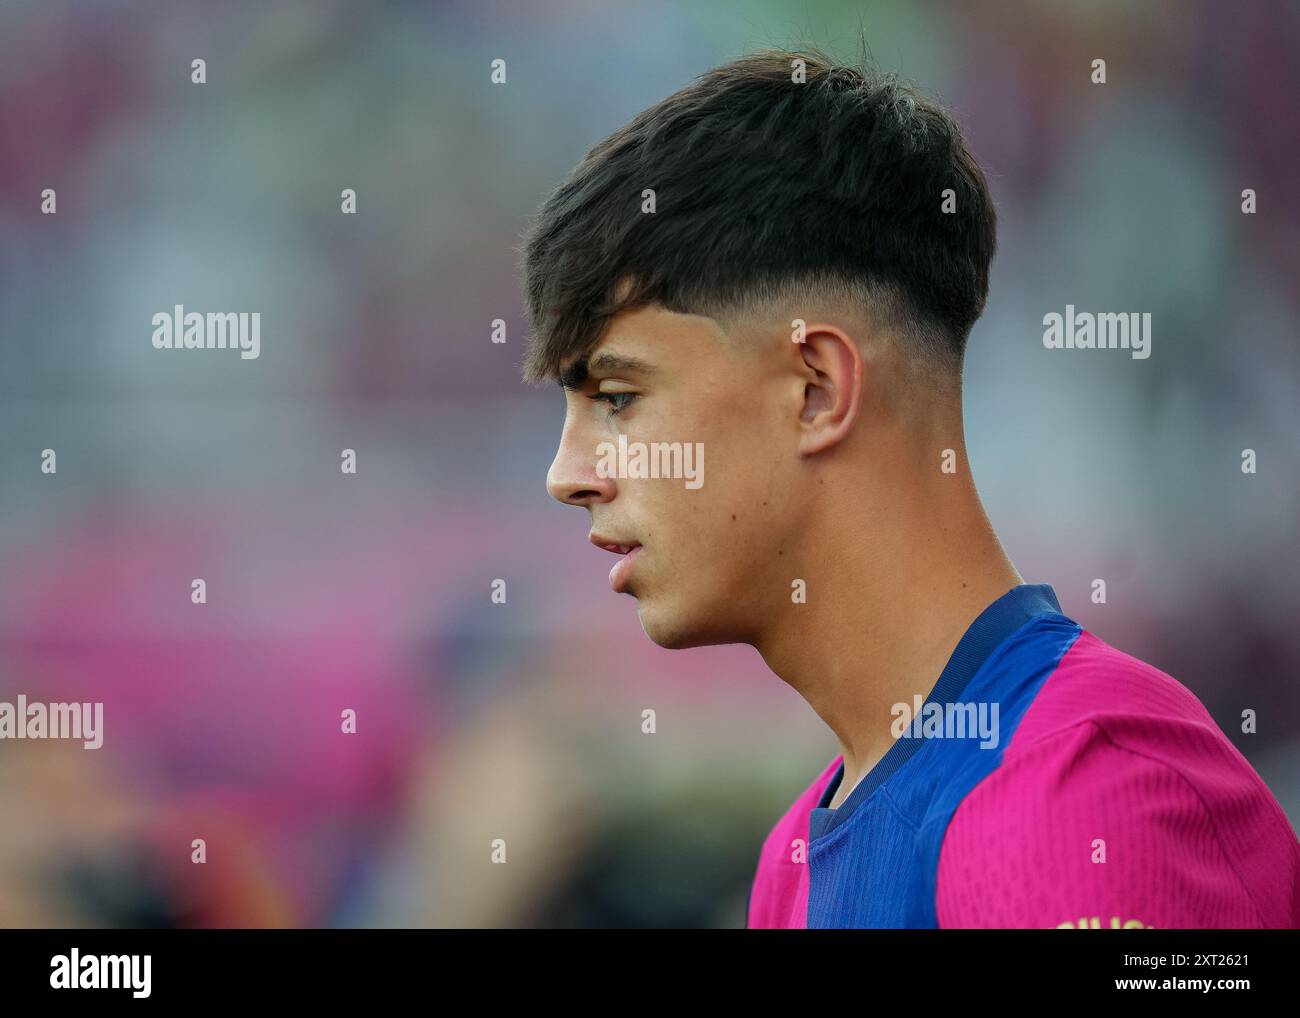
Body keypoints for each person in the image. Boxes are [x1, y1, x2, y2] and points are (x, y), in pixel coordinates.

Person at [518, 48, 1299, 928]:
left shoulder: (1082, 796)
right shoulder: (794, 866)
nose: (567, 476)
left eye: (618, 399)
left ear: (816, 389)